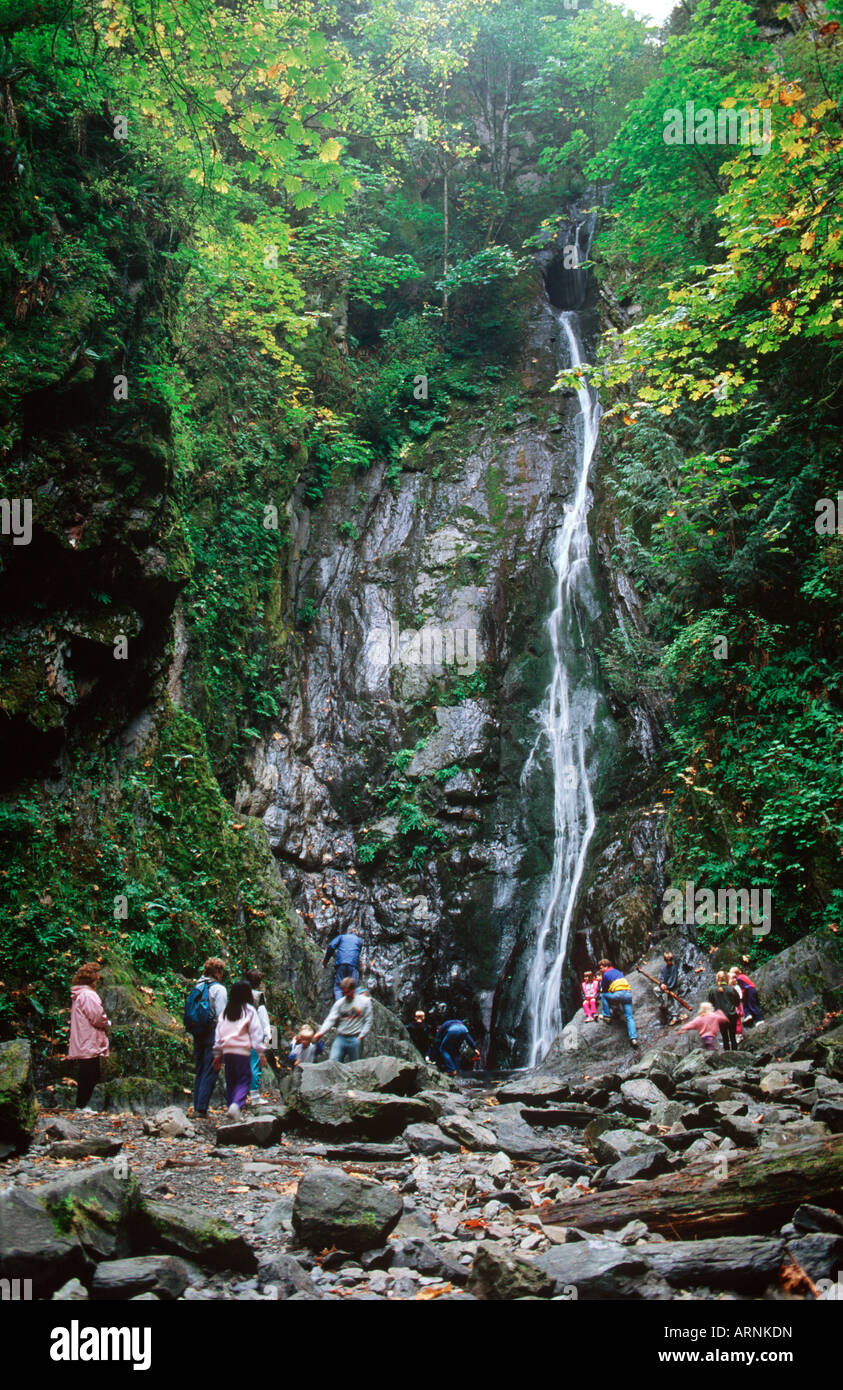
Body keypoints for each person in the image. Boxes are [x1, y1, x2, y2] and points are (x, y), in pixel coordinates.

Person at [212, 978, 267, 1120]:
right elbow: (256, 1033)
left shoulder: (225, 1012)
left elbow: (219, 1032)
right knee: (244, 1079)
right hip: (242, 1050)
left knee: (231, 1080)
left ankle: (232, 1107)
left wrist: (217, 1053)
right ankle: (236, 1105)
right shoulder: (249, 1011)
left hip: (228, 1050)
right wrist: (261, 1052)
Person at [185, 957, 228, 1118]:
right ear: (217, 972)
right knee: (211, 1069)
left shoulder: (198, 985)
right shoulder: (219, 989)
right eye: (221, 971)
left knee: (200, 1069)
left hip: (198, 1032)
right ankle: (201, 1109)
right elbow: (221, 1017)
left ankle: (197, 1106)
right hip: (212, 1032)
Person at [68, 962, 111, 1112]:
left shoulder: (80, 994)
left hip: (84, 1038)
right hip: (89, 1038)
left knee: (88, 1072)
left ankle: (82, 1104)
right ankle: (81, 1105)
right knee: (90, 1073)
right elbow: (97, 1016)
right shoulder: (88, 994)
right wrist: (107, 1023)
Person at [312, 976, 373, 1062]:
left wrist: (361, 1036)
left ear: (353, 989)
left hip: (355, 1037)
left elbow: (368, 1021)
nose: (346, 995)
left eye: (348, 992)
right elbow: (330, 1020)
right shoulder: (339, 1003)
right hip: (341, 1037)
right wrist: (320, 1032)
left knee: (355, 1066)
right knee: (332, 1062)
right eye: (344, 993)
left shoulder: (365, 1002)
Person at [245, 969, 272, 1105]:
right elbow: (264, 1022)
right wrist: (269, 1041)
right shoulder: (257, 998)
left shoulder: (239, 995)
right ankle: (255, 1098)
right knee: (254, 1067)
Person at [597, 959, 638, 1047]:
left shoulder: (606, 974)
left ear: (606, 966)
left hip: (618, 995)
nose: (600, 970)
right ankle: (633, 1038)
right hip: (628, 994)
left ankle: (606, 1016)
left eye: (601, 968)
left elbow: (604, 989)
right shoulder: (617, 971)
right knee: (629, 1017)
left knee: (604, 995)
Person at [322, 927, 366, 1001]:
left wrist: (325, 961)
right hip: (353, 965)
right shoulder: (359, 941)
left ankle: (339, 1006)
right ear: (357, 934)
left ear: (349, 932)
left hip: (341, 963)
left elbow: (331, 946)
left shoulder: (342, 937)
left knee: (339, 987)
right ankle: (352, 1008)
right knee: (353, 987)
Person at [708, 970, 741, 1051]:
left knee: (724, 1037)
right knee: (733, 1037)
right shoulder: (731, 989)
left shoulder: (712, 990)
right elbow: (737, 1002)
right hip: (732, 1015)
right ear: (727, 978)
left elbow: (710, 1003)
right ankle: (735, 1054)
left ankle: (726, 1055)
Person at [657, 951, 679, 1023]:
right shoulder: (664, 969)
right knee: (656, 990)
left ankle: (675, 1016)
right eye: (667, 960)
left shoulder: (673, 968)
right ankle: (663, 1003)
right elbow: (661, 977)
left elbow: (674, 979)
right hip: (665, 987)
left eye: (670, 960)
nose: (669, 962)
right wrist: (662, 984)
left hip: (672, 987)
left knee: (673, 1000)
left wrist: (668, 987)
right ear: (665, 960)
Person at [728, 966, 745, 1039]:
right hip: (731, 1007)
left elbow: (740, 996)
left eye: (735, 978)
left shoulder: (736, 987)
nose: (735, 980)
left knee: (737, 1021)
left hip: (737, 1006)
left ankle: (739, 1034)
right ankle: (736, 1034)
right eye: (733, 978)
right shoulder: (728, 988)